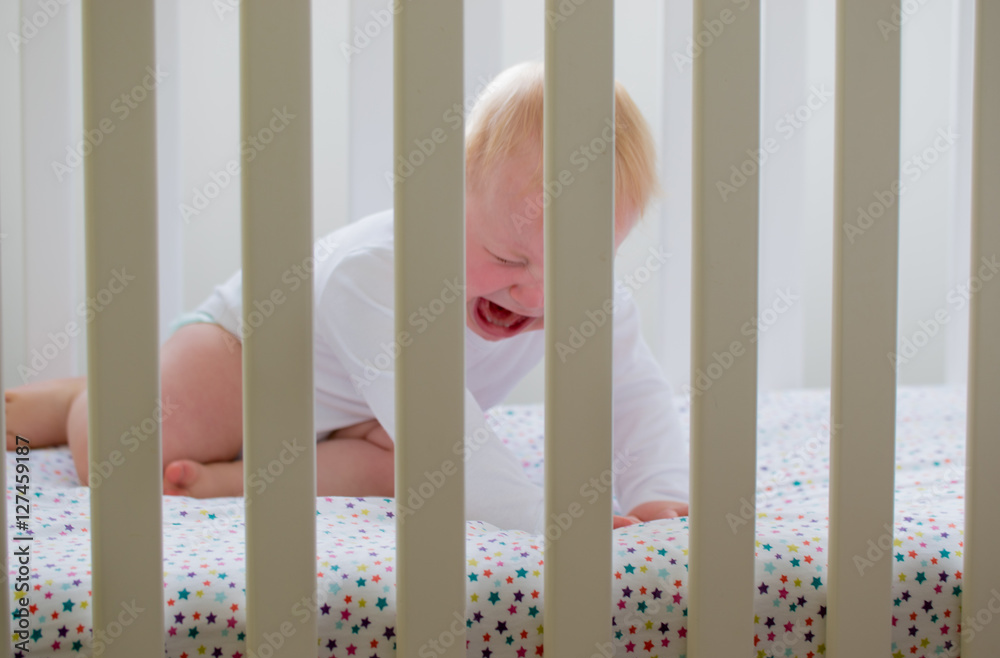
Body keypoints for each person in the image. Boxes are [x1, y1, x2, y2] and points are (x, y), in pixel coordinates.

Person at [4, 62, 688, 533]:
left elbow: (632, 396)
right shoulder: (373, 273)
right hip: (250, 361)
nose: (534, 292)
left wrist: (662, 493)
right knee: (124, 457)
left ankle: (229, 480)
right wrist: (543, 516)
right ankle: (88, 397)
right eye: (508, 257)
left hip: (377, 415)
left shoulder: (583, 299)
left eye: (571, 271)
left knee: (411, 468)